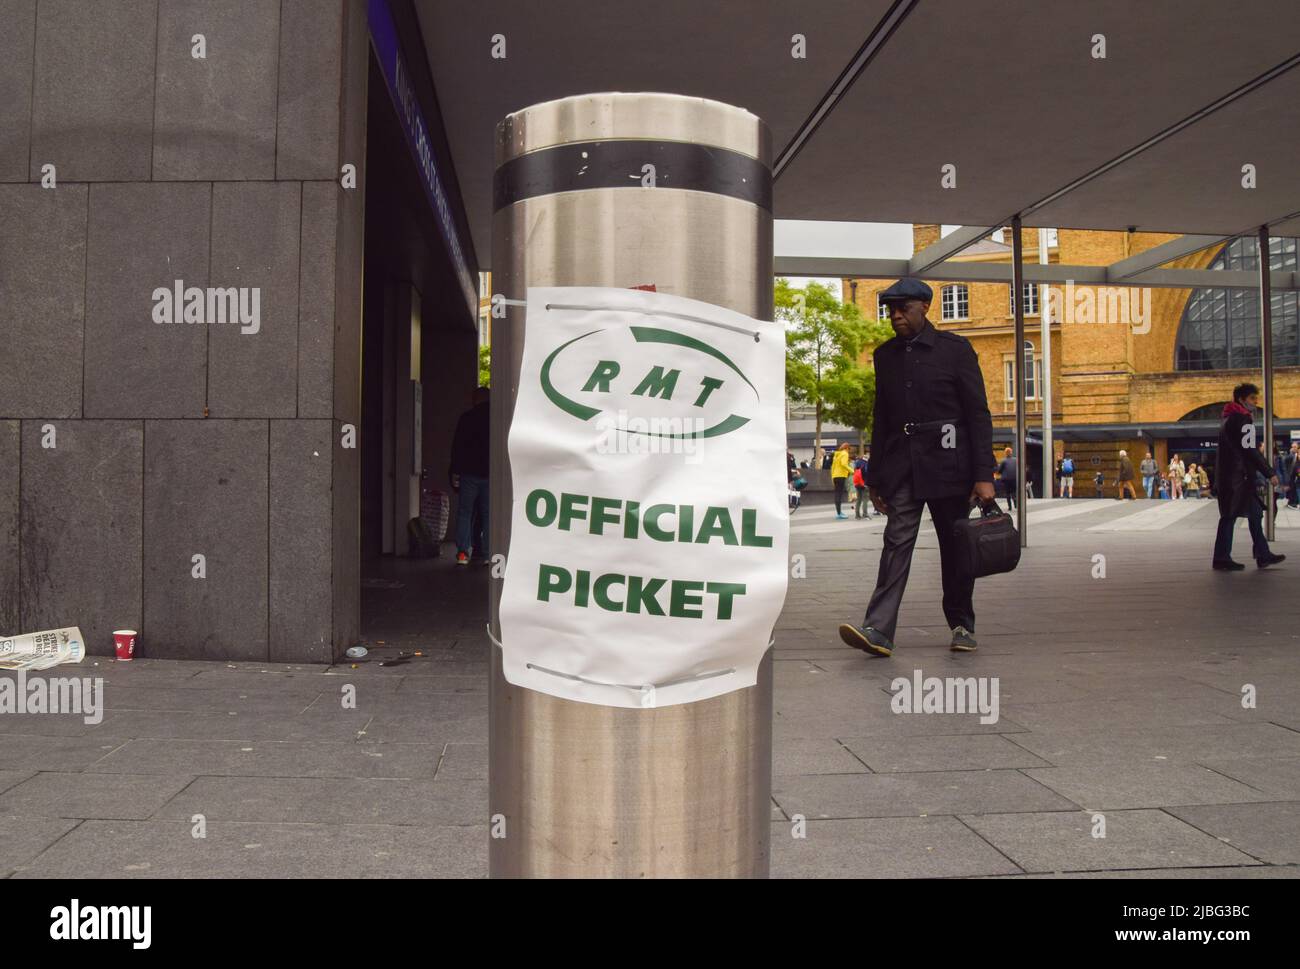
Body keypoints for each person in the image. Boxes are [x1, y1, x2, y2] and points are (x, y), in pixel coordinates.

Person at [837, 277, 995, 657]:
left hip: (950, 467)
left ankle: (962, 625)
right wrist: (875, 478)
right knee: (896, 543)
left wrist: (983, 475)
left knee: (955, 549)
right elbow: (883, 417)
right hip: (903, 467)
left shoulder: (956, 350)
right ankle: (878, 629)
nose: (895, 316)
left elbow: (978, 414)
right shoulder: (885, 355)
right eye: (889, 310)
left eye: (903, 309)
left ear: (925, 306)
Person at [1212, 382, 1284, 571]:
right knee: (1229, 517)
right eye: (1252, 398)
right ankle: (1221, 558)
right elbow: (1250, 449)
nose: (1255, 402)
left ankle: (1263, 554)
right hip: (1239, 478)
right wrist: (1269, 472)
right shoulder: (1243, 419)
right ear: (1241, 399)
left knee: (1254, 514)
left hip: (1233, 477)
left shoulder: (1227, 419)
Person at [449, 386, 490, 565]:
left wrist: (454, 472)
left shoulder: (466, 418)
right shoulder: (495, 419)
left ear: (475, 399)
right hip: (489, 473)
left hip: (469, 474)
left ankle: (463, 553)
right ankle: (489, 553)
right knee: (488, 514)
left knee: (465, 512)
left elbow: (457, 447)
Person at [830, 442, 852, 519]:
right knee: (839, 494)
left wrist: (832, 478)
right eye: (849, 449)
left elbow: (832, 467)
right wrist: (852, 470)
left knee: (837, 494)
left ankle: (839, 512)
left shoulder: (836, 455)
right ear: (846, 448)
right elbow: (844, 464)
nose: (849, 451)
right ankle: (839, 514)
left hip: (835, 476)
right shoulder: (845, 454)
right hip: (841, 476)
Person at [853, 450, 872, 518]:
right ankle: (865, 514)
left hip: (857, 483)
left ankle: (857, 515)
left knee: (859, 499)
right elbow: (867, 473)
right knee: (865, 499)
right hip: (864, 483)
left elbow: (854, 471)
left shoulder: (858, 462)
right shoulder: (866, 463)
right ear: (867, 454)